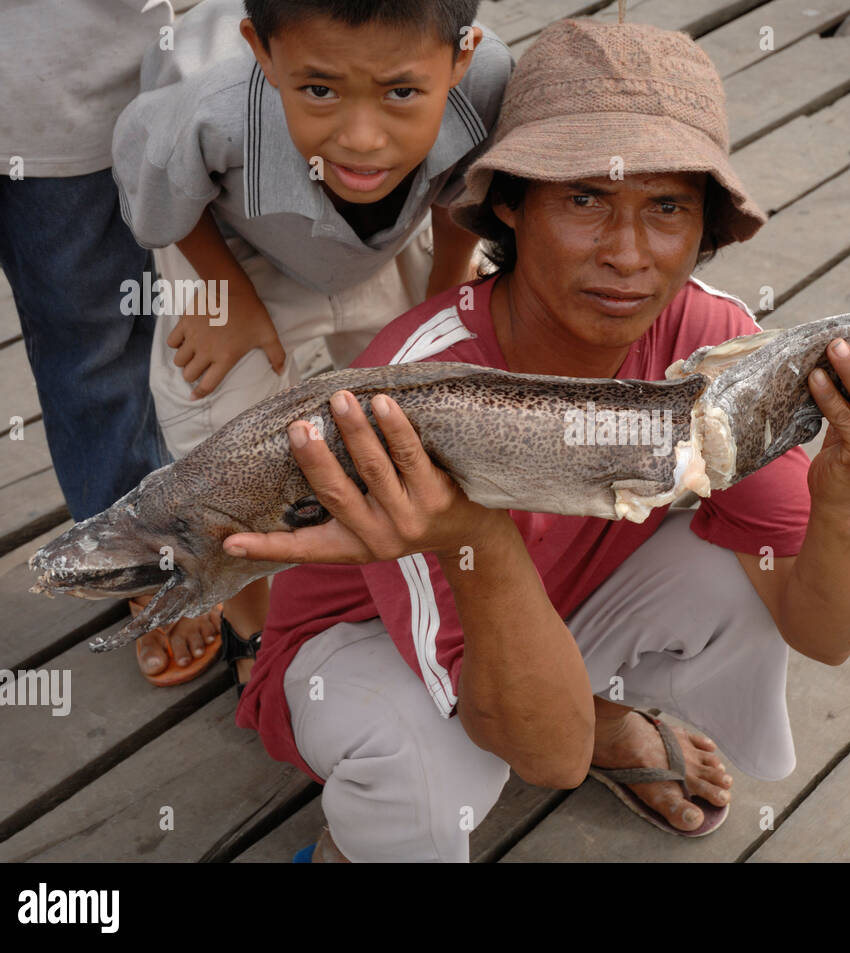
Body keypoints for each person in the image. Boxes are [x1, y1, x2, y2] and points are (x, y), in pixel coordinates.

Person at [226, 18, 850, 862]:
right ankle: (362, 842)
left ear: (704, 227)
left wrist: (845, 493)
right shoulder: (409, 394)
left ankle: (599, 711)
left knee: (744, 577)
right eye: (584, 200)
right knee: (428, 768)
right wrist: (474, 529)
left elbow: (824, 632)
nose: (627, 255)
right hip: (363, 648)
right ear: (508, 202)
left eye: (665, 208)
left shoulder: (711, 341)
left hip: (546, 601)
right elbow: (544, 759)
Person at [111, 0, 512, 690]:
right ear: (261, 53)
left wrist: (444, 289)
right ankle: (252, 617)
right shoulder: (210, 108)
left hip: (390, 235)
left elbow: (460, 185)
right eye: (319, 89)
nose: (360, 138)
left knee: (415, 397)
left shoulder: (488, 80)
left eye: (402, 93)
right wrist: (225, 292)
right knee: (223, 439)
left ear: (460, 59)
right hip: (233, 242)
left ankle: (389, 580)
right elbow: (157, 179)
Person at [0, 1, 217, 675]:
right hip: (66, 77)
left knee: (96, 347)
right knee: (98, 347)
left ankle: (134, 546)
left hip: (70, 83)